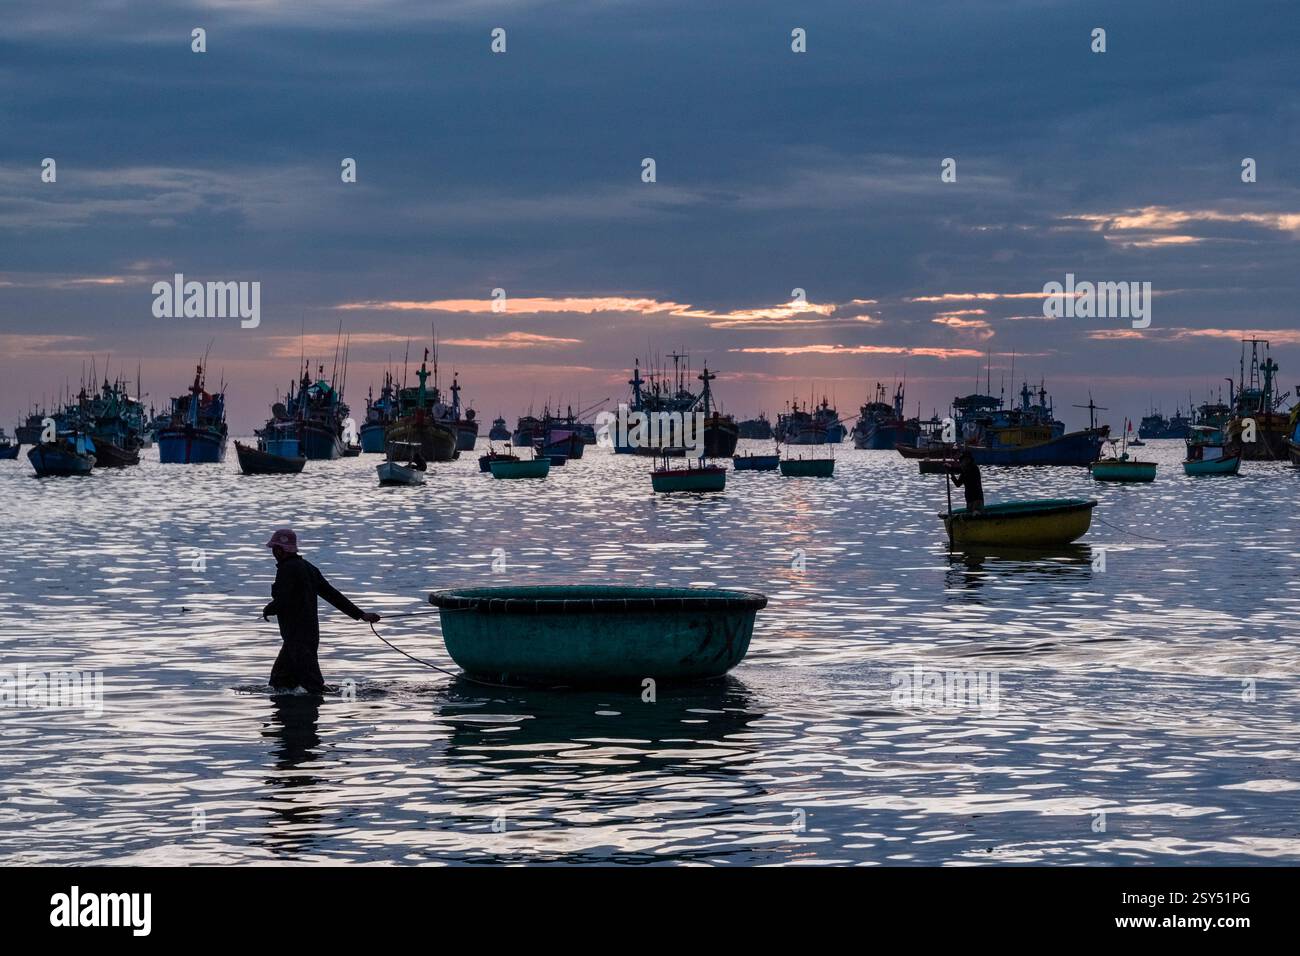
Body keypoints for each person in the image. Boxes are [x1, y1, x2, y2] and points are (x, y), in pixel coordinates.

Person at [261, 528, 380, 693]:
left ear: (281, 550)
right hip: (309, 635)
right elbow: (332, 595)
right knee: (281, 681)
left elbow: (284, 600)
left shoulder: (287, 569)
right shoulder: (309, 568)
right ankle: (296, 713)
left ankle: (334, 701)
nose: (273, 552)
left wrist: (269, 609)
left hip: (296, 638)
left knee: (312, 686)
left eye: (275, 548)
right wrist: (360, 614)